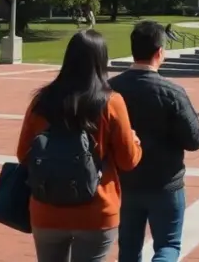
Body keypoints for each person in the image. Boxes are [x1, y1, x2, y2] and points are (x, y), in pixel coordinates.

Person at [17, 29, 142, 262]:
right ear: (102, 60)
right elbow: (127, 161)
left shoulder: (42, 100)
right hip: (96, 208)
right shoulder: (111, 102)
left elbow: (23, 154)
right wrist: (135, 142)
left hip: (47, 206)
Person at [109, 21, 199, 262]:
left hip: (125, 181)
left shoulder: (110, 89)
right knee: (168, 245)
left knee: (128, 248)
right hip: (165, 182)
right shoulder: (172, 92)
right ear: (159, 52)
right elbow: (195, 139)